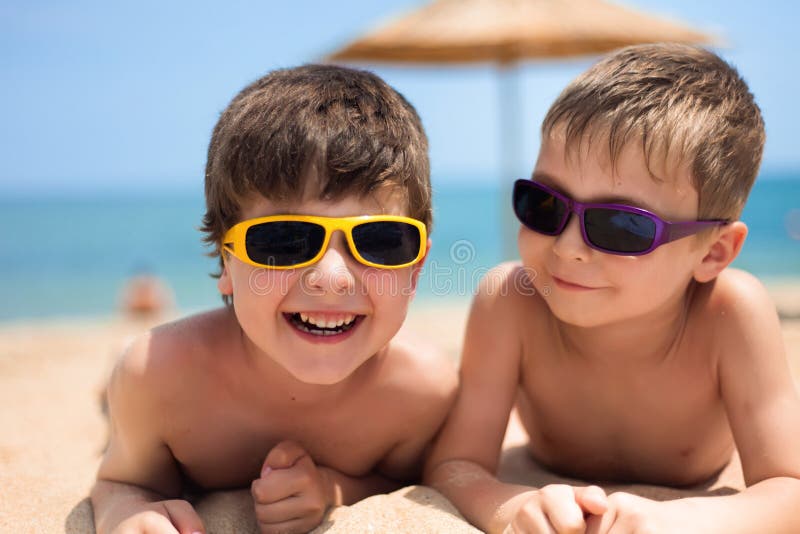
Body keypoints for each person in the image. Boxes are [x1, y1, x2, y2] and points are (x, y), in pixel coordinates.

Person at [425, 43, 800, 533]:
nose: (567, 246)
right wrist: (510, 505)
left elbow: (789, 485)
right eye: (544, 204)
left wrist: (684, 520)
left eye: (622, 225)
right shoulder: (510, 303)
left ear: (714, 253)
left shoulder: (729, 315)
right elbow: (454, 465)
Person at [90, 64, 457, 534]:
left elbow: (406, 479)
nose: (331, 279)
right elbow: (119, 481)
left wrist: (333, 488)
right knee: (114, 393)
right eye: (283, 240)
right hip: (139, 387)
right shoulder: (157, 379)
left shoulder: (423, 395)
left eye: (381, 241)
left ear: (416, 266)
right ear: (226, 262)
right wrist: (126, 510)